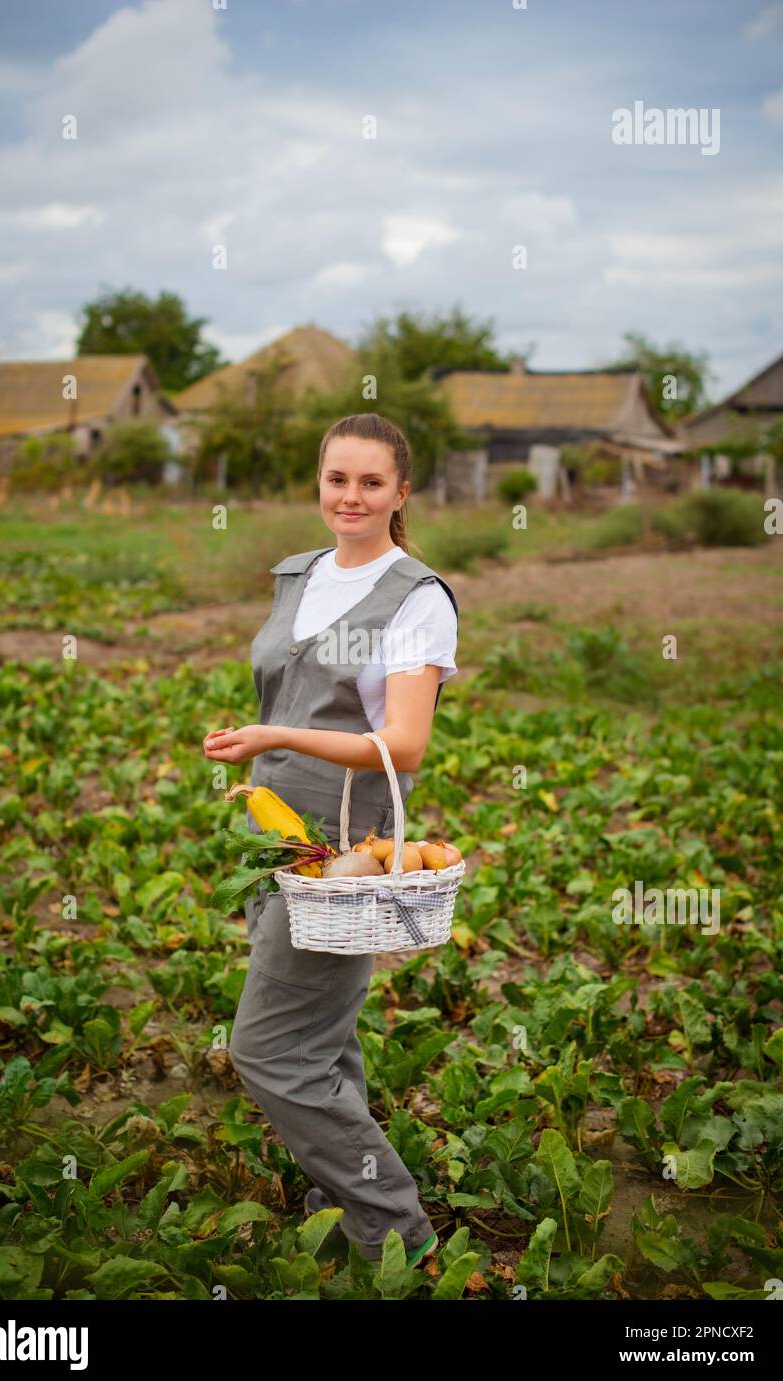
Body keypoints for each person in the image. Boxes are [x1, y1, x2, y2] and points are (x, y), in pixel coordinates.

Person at [202, 412, 459, 1268]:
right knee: (322, 1036)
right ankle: (337, 1195)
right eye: (336, 480)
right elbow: (288, 686)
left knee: (268, 1047)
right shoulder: (299, 575)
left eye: (371, 483)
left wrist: (277, 739)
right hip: (275, 832)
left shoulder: (416, 597)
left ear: (401, 493)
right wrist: (260, 749)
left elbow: (404, 746)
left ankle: (393, 1227)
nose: (350, 498)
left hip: (345, 850)